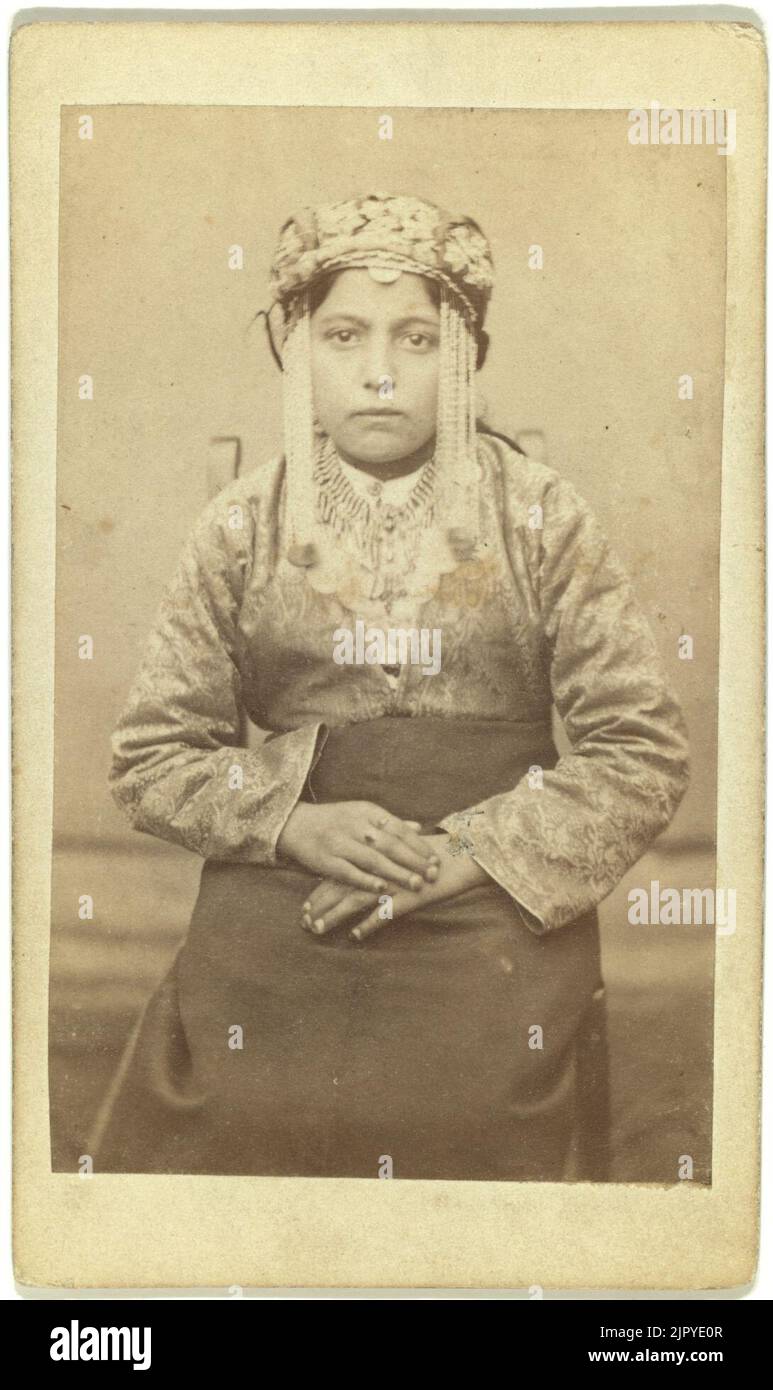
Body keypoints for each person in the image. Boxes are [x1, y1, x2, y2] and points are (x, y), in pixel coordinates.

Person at [86, 191, 690, 1181]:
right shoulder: (240, 526)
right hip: (286, 898)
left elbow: (640, 752)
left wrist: (467, 851)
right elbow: (151, 756)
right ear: (293, 347)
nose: (378, 372)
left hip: (490, 907)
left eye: (417, 339)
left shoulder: (542, 518)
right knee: (226, 1119)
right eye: (343, 335)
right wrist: (294, 823)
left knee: (473, 1117)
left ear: (466, 358)